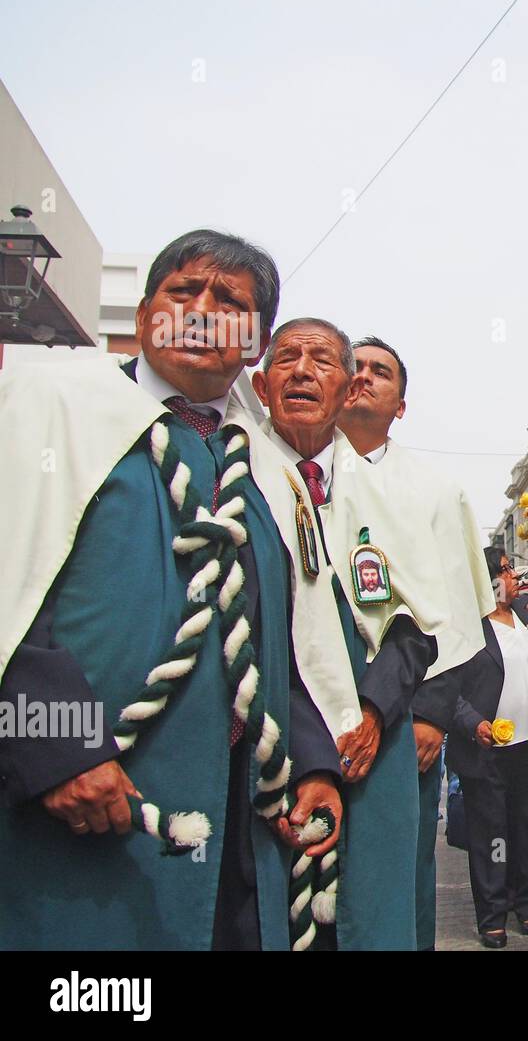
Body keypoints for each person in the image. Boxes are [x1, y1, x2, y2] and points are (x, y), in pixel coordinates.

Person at [0, 229, 340, 950]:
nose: (202, 311)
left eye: (230, 303)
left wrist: (311, 762)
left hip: (239, 834)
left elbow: (292, 637)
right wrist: (52, 741)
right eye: (183, 292)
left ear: (255, 344)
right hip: (84, 808)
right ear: (144, 312)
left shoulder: (272, 475)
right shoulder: (47, 406)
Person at [253, 316, 446, 950]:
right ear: (259, 385)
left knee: (372, 906)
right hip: (266, 733)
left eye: (323, 363)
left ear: (343, 396)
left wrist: (369, 709)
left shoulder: (388, 492)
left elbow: (418, 623)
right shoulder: (239, 478)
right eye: (288, 358)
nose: (304, 373)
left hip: (373, 739)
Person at [337, 334, 495, 951]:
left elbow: (454, 615)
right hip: (315, 690)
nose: (364, 377)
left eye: (382, 372)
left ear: (401, 405)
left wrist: (432, 713)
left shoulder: (436, 489)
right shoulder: (298, 465)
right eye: (355, 366)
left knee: (396, 866)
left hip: (404, 702)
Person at [423, 549, 528, 948]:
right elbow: (447, 685)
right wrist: (472, 722)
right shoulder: (465, 626)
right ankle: (493, 913)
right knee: (494, 834)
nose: (512, 576)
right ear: (484, 580)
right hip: (490, 752)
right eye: (503, 570)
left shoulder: (527, 612)